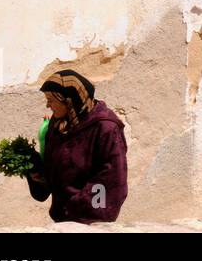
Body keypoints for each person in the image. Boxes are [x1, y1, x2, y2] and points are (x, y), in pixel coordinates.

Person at [26, 69, 128, 223]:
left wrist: (77, 207)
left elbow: (111, 179)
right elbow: (57, 167)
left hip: (88, 221)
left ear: (69, 100)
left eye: (51, 100)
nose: (48, 105)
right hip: (63, 219)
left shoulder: (105, 128)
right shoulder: (58, 124)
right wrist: (39, 174)